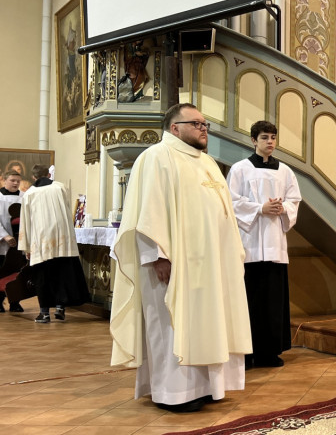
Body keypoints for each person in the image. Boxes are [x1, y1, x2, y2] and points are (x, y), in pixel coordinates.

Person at [110, 103, 252, 413]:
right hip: (174, 263)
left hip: (210, 265)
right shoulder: (156, 158)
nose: (204, 129)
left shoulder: (209, 163)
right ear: (175, 128)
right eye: (197, 123)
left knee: (206, 323)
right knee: (172, 325)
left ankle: (204, 388)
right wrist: (157, 255)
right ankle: (173, 392)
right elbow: (148, 211)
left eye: (205, 124)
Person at [227, 120, 301, 369]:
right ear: (253, 140)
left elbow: (295, 199)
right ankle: (246, 353)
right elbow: (230, 202)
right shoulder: (240, 169)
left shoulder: (285, 171)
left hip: (275, 244)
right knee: (249, 300)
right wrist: (260, 207)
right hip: (249, 244)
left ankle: (270, 352)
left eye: (273, 137)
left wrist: (282, 209)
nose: (270, 142)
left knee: (272, 301)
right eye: (265, 138)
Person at [18, 165, 90, 322]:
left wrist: (26, 247)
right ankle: (60, 307)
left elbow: (25, 221)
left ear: (33, 177)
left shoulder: (29, 194)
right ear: (49, 174)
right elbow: (67, 209)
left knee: (42, 278)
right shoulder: (60, 187)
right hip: (62, 239)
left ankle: (44, 313)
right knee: (62, 274)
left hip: (41, 241)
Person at [0, 171, 24, 312]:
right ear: (4, 180)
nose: (15, 183)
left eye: (18, 181)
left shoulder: (24, 197)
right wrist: (5, 236)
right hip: (2, 243)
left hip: (19, 243)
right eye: (12, 180)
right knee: (2, 271)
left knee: (17, 272)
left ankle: (15, 301)